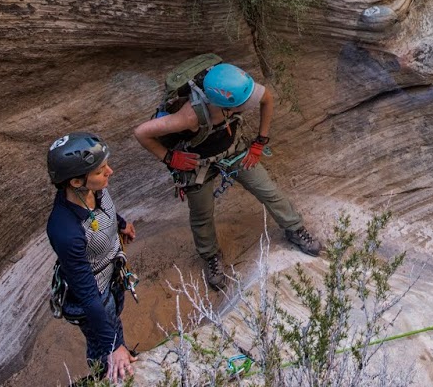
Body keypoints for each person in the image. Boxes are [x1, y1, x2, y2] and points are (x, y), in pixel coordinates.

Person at [134, 60, 321, 291]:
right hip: (198, 165)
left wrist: (259, 142)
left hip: (235, 152)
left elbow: (267, 98)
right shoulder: (189, 117)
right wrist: (170, 158)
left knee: (268, 190)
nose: (249, 104)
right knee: (202, 214)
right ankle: (210, 256)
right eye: (244, 104)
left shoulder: (239, 89)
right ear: (226, 104)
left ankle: (295, 228)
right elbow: (142, 132)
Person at [46, 132, 136, 385]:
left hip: (111, 278)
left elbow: (105, 210)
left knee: (114, 318)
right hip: (93, 293)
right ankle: (103, 375)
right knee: (102, 343)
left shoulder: (94, 189)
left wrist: (120, 224)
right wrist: (113, 345)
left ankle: (116, 349)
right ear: (76, 182)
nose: (110, 171)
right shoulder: (66, 230)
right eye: (100, 170)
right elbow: (88, 296)